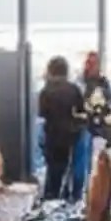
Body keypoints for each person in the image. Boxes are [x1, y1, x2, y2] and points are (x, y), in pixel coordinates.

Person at [38, 56, 85, 201]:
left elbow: (42, 113)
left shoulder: (46, 91)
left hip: (52, 135)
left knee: (52, 169)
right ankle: (66, 197)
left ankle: (50, 197)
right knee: (68, 169)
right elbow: (81, 111)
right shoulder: (74, 89)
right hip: (71, 136)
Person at [80, 51, 111, 147]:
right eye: (89, 63)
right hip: (86, 122)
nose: (92, 67)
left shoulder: (103, 82)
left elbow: (108, 99)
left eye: (94, 64)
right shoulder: (81, 82)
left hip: (101, 122)